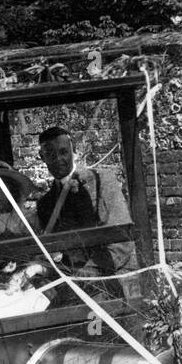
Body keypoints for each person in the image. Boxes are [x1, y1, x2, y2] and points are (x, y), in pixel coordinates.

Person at [34, 126, 138, 293]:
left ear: (74, 150)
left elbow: (121, 240)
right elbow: (54, 252)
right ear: (42, 157)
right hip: (71, 283)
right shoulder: (45, 204)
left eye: (63, 152)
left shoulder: (101, 181)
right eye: (51, 154)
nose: (58, 159)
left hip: (113, 280)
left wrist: (85, 277)